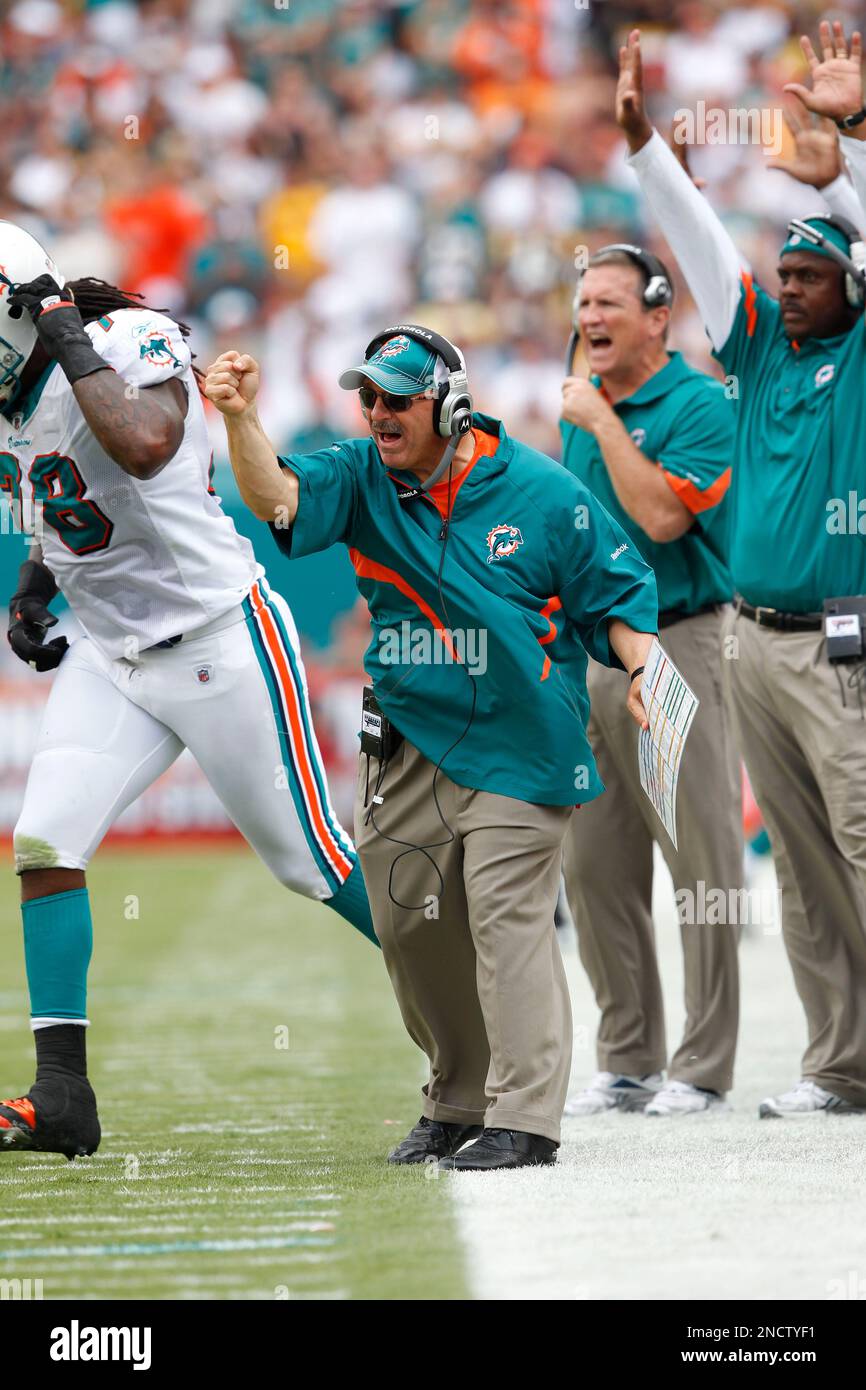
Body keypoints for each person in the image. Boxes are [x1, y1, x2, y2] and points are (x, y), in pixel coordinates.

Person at [205, 325, 659, 1170]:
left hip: (524, 739)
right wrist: (240, 417)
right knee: (409, 923)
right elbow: (277, 500)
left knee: (503, 916)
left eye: (395, 399)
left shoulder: (540, 490)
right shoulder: (357, 472)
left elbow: (619, 590)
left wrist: (639, 669)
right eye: (367, 397)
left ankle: (525, 1118)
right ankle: (456, 1099)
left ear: (448, 404)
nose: (377, 413)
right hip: (410, 738)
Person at [0, 222, 376, 1162]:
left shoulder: (130, 340)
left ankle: (483, 1002)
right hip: (112, 652)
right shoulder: (9, 400)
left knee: (313, 864)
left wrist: (64, 331)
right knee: (46, 841)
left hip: (217, 636)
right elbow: (55, 514)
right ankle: (63, 1095)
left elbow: (142, 444)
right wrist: (32, 597)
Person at [618, 21, 866, 1117]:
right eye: (788, 273)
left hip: (841, 637)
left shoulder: (859, 351)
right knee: (807, 876)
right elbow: (702, 247)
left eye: (816, 274)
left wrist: (853, 137)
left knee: (861, 845)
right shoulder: (759, 345)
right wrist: (643, 151)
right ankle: (840, 1064)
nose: (794, 287)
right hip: (751, 641)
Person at [559, 242, 742, 1116]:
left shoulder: (700, 401)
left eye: (610, 304)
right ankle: (627, 1054)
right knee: (594, 867)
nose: (590, 318)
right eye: (584, 302)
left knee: (698, 861)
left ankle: (703, 1064)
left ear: (659, 316)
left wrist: (600, 423)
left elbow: (667, 518)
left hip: (678, 641)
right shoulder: (582, 406)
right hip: (592, 652)